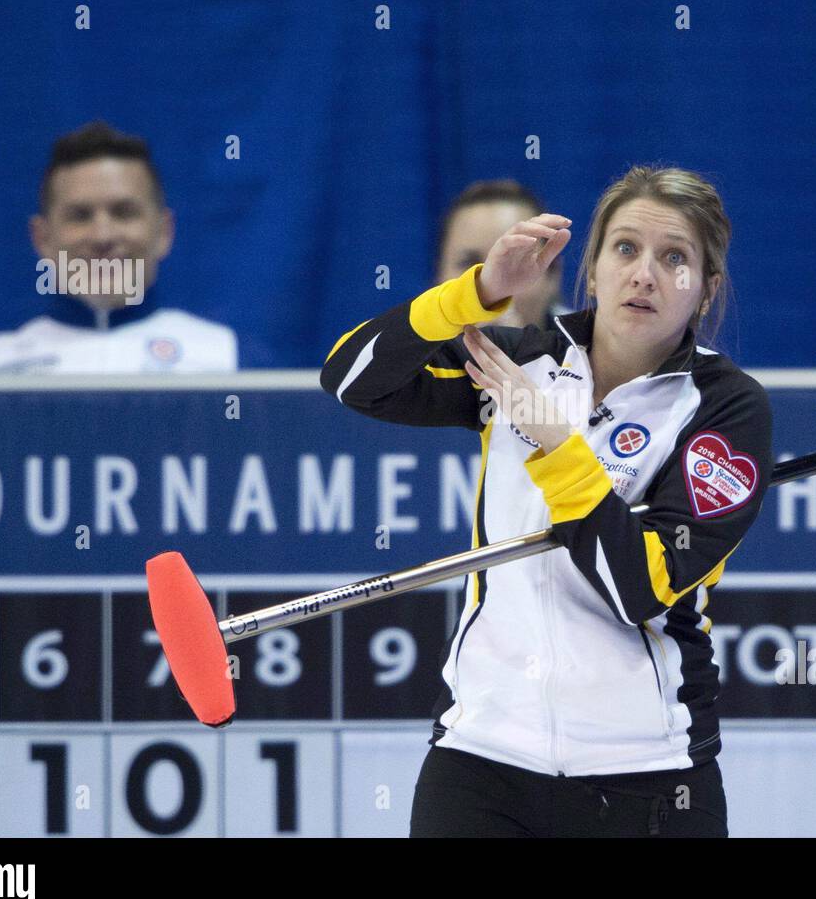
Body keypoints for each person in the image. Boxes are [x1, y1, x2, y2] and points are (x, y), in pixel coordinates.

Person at [320, 166, 773, 837]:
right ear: (591, 269)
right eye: (624, 249)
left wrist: (557, 444)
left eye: (674, 258)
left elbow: (641, 590)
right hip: (481, 762)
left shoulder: (727, 409)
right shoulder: (515, 359)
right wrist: (474, 294)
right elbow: (351, 378)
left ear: (706, 292)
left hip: (649, 774)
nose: (644, 274)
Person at [0, 121, 238, 374]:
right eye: (80, 215)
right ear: (43, 239)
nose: (102, 237)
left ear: (163, 232)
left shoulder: (228, 362)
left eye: (124, 213)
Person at [435, 179, 568, 329]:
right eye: (469, 263)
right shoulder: (409, 347)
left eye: (515, 262)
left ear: (554, 273)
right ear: (439, 274)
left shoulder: (591, 348)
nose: (489, 282)